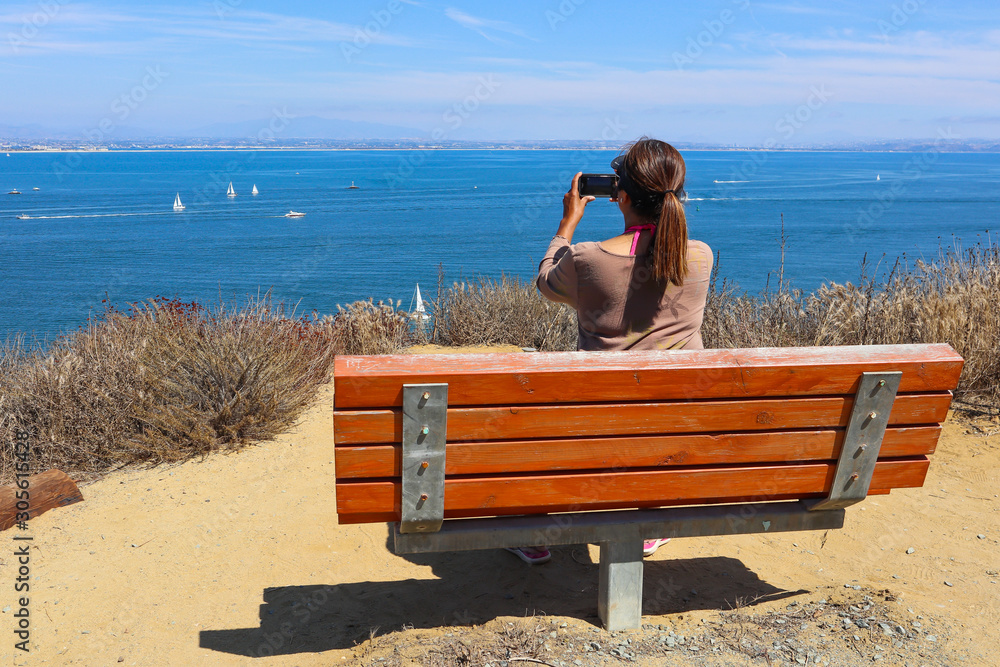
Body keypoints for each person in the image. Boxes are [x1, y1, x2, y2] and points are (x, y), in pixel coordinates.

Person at [506, 138, 712, 564]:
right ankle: (645, 524)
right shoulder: (701, 258)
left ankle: (535, 534)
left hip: (596, 427)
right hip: (676, 427)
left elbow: (546, 283)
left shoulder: (587, 260)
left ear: (621, 196)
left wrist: (567, 225)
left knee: (530, 421)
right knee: (648, 418)